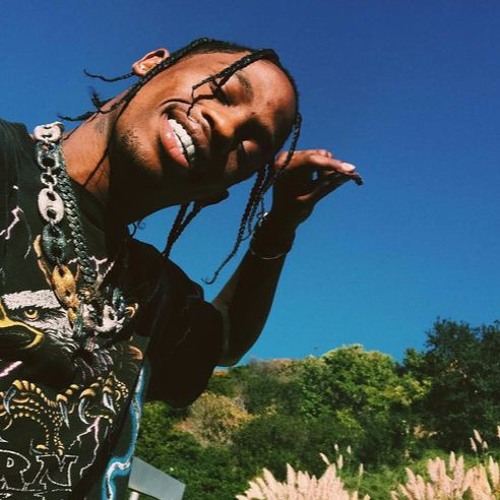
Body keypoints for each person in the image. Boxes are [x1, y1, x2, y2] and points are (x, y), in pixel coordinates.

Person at [0, 38, 361, 498]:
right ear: (151, 63)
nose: (225, 126)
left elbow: (224, 340)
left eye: (251, 144)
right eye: (224, 91)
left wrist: (280, 224)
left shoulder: (149, 291)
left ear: (217, 193)